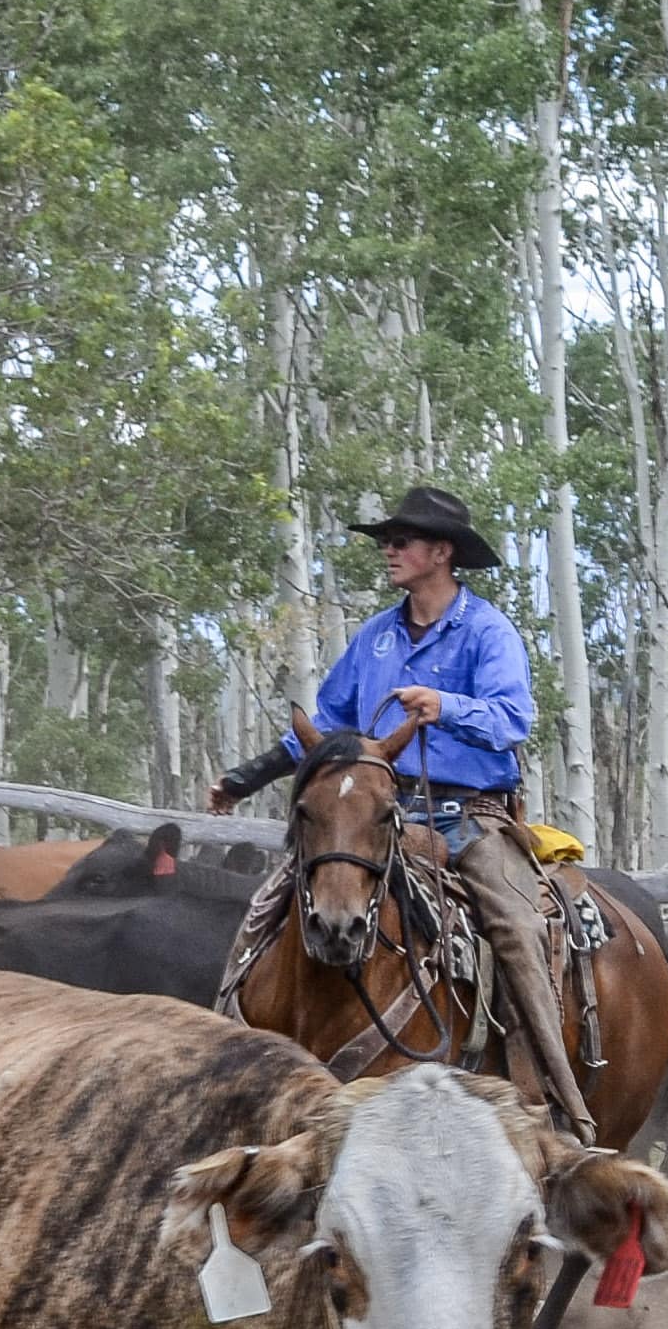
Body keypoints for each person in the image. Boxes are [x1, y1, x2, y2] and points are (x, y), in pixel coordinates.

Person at [215, 485, 595, 1139]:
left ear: (440, 553)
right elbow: (328, 723)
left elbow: (513, 721)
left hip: (469, 814)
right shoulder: (375, 638)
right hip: (370, 810)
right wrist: (247, 776)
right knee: (267, 906)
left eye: (401, 541)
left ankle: (555, 1103)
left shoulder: (486, 631)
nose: (389, 551)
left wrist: (443, 705)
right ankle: (223, 1055)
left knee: (516, 925)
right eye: (387, 541)